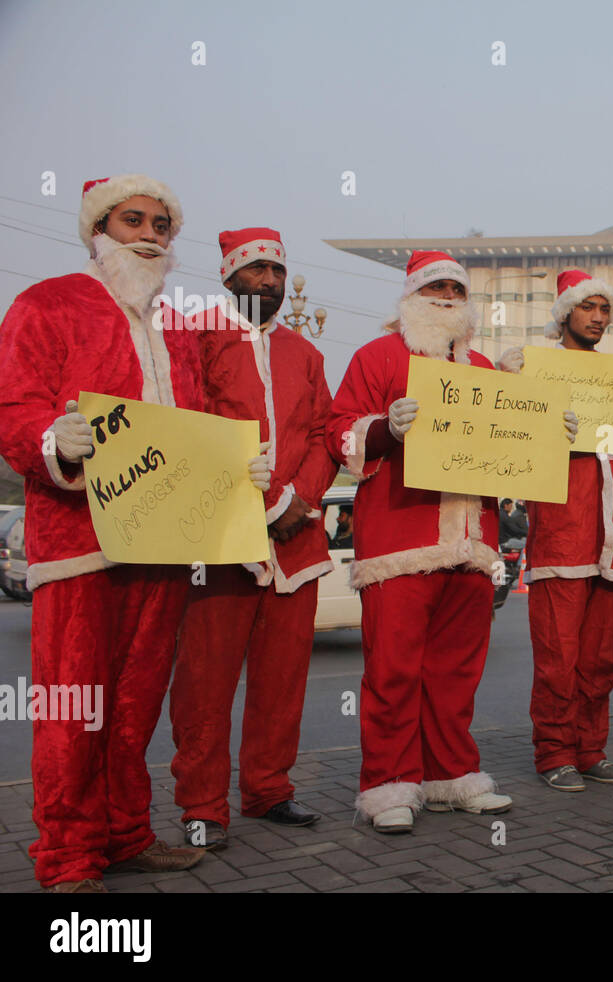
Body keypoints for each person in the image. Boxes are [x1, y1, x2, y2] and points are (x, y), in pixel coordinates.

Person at [0, 174, 230, 890]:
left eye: (163, 224)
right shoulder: (48, 303)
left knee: (135, 705)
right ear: (98, 228)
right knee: (74, 707)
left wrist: (233, 469)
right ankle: (67, 856)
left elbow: (195, 431)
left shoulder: (178, 327)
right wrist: (52, 439)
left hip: (161, 547)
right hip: (79, 546)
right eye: (134, 220)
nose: (150, 235)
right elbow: (13, 408)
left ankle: (125, 833)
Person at [325, 250, 517, 832]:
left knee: (457, 673)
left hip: (473, 543)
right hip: (399, 544)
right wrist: (385, 428)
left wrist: (547, 433)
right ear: (411, 294)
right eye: (434, 287)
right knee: (392, 673)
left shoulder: (486, 369)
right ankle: (388, 787)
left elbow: (514, 454)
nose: (445, 297)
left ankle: (451, 777)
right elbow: (339, 435)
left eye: (455, 289)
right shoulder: (377, 356)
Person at [168, 228, 337, 851]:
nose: (269, 281)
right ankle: (202, 805)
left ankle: (268, 789)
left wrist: (299, 501)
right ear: (228, 276)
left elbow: (324, 436)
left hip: (297, 543)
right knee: (204, 684)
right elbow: (186, 427)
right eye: (257, 270)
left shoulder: (307, 354)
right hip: (219, 541)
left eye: (277, 271)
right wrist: (263, 502)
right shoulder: (194, 338)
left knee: (282, 678)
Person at [503, 268, 613, 791]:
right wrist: (543, 431)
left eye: (606, 310)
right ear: (565, 312)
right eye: (589, 308)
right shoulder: (533, 373)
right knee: (558, 656)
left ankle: (590, 748)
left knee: (604, 656)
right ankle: (554, 752)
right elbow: (510, 453)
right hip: (560, 535)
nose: (599, 318)